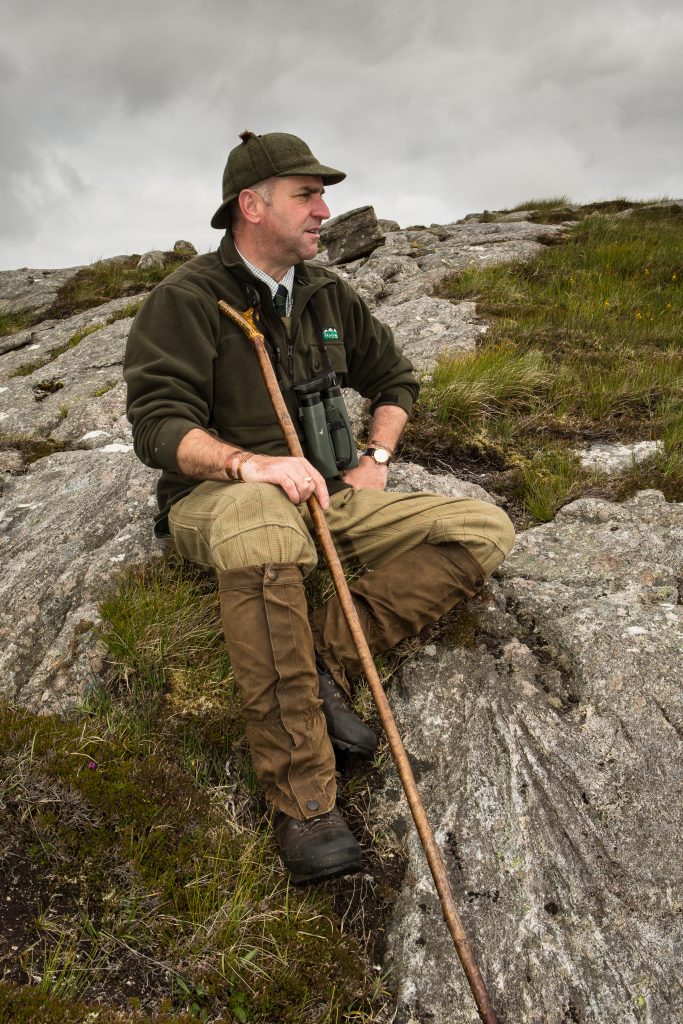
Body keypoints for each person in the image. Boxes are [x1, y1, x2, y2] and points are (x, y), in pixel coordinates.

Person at [124, 130, 515, 884]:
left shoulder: (327, 293)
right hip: (223, 497)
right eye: (306, 195)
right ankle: (305, 802)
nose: (324, 210)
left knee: (481, 527)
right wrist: (248, 463)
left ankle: (324, 662)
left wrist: (375, 459)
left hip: (328, 495)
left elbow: (396, 379)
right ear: (251, 205)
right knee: (263, 523)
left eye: (321, 195)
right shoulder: (186, 301)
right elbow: (157, 425)